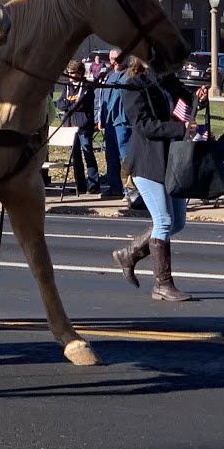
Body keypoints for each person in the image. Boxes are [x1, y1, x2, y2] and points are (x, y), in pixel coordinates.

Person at [111, 59, 196, 302]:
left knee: (177, 222)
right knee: (163, 220)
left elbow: (182, 101)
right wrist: (180, 130)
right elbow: (144, 125)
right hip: (147, 160)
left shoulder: (165, 80)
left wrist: (195, 95)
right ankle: (162, 285)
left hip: (170, 160)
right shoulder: (133, 85)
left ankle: (129, 254)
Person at [56, 61, 101, 194]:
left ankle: (93, 185)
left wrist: (69, 105)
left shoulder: (87, 86)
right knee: (75, 157)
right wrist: (70, 105)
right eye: (69, 73)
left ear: (80, 73)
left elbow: (81, 103)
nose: (70, 76)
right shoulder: (68, 87)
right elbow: (60, 103)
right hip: (70, 126)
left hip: (83, 126)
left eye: (73, 73)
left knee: (88, 153)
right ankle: (79, 186)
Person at [95, 50, 132, 199]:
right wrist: (100, 118)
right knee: (110, 156)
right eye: (112, 59)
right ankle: (114, 187)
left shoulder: (129, 77)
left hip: (122, 121)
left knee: (125, 157)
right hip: (108, 121)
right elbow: (100, 98)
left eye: (117, 59)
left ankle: (129, 190)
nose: (114, 61)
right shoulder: (108, 77)